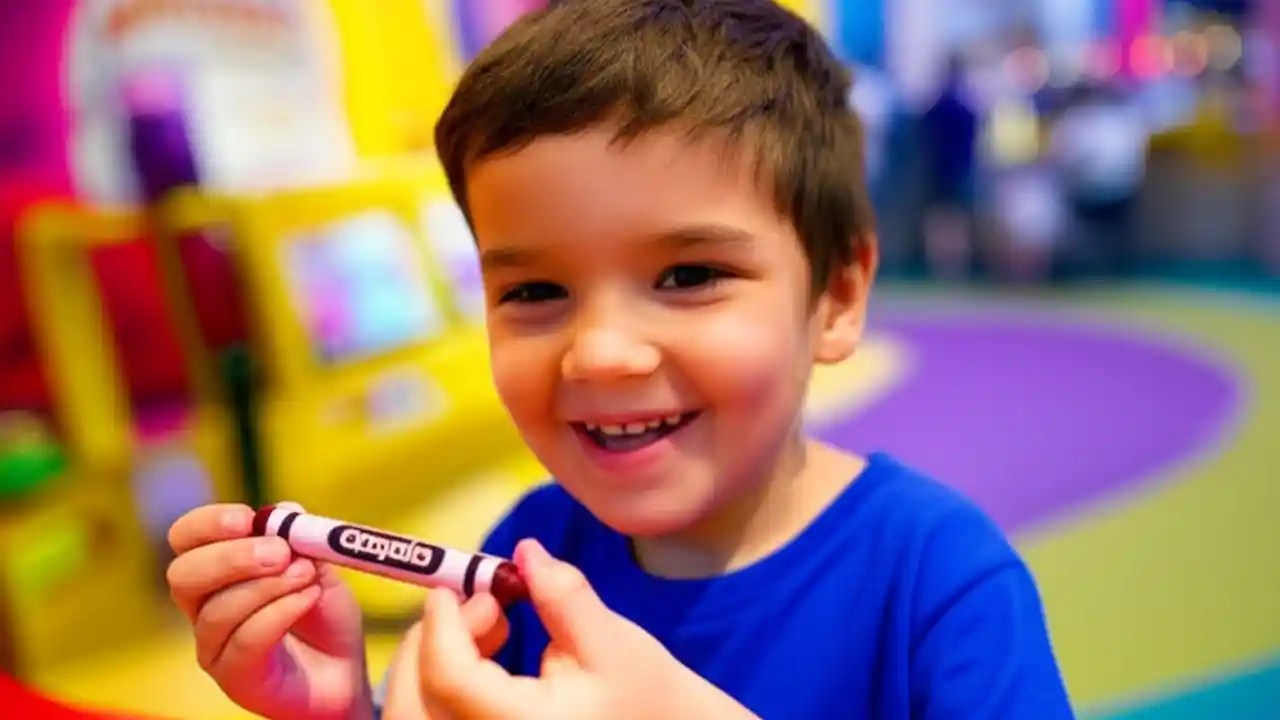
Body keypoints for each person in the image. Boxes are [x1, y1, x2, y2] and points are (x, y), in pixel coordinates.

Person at [165, 2, 1074, 718]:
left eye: (688, 274)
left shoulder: (938, 581)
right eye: (533, 292)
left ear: (834, 298)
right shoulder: (533, 551)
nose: (598, 354)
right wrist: (339, 709)